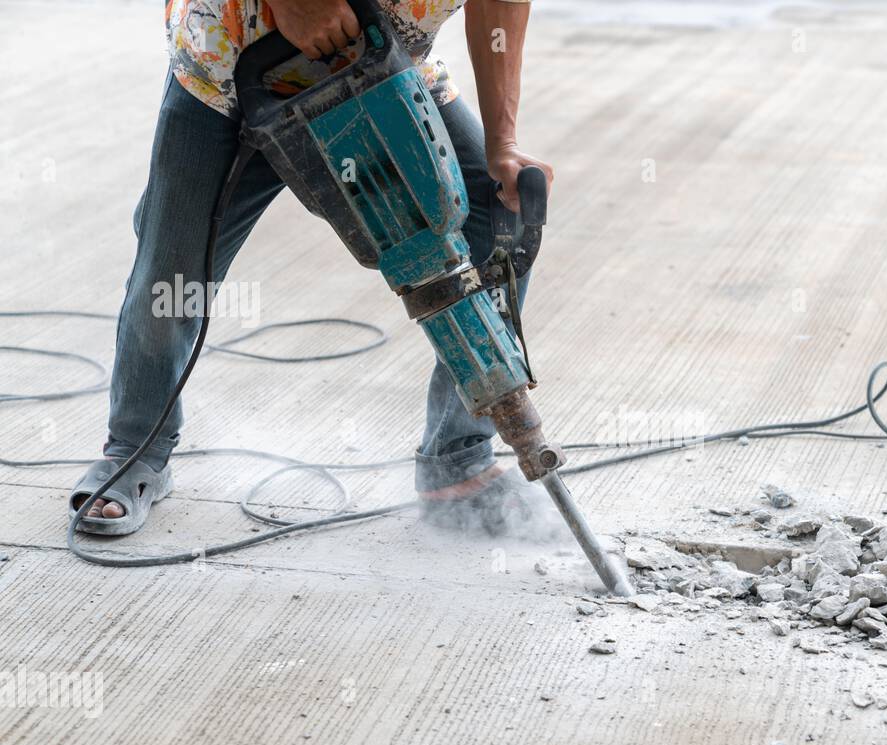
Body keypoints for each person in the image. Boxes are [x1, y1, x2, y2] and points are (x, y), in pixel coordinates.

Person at [69, 0, 554, 536]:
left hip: (382, 65)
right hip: (232, 69)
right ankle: (134, 450)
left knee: (499, 206)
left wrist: (502, 144)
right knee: (174, 275)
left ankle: (457, 460)